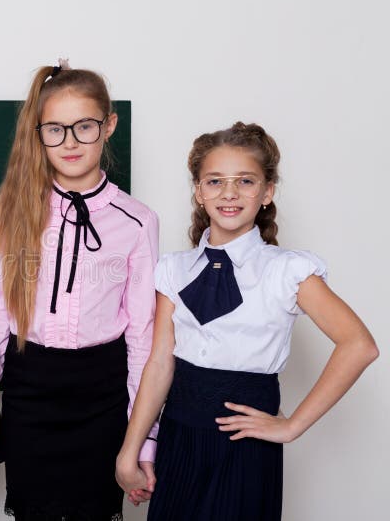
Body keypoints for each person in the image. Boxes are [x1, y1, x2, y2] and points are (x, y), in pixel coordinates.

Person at [116, 121, 379, 520]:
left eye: (245, 181)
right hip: (179, 438)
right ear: (199, 192)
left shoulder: (287, 271)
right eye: (215, 181)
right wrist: (129, 451)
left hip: (245, 447)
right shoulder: (174, 270)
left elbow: (359, 345)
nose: (230, 193)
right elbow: (159, 364)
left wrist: (290, 426)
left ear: (267, 192)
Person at [0, 60, 160, 521]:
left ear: (109, 126)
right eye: (55, 130)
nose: (69, 143)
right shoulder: (15, 204)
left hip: (102, 393)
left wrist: (143, 439)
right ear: (38, 132)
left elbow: (143, 336)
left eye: (84, 127)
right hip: (31, 388)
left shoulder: (137, 221)